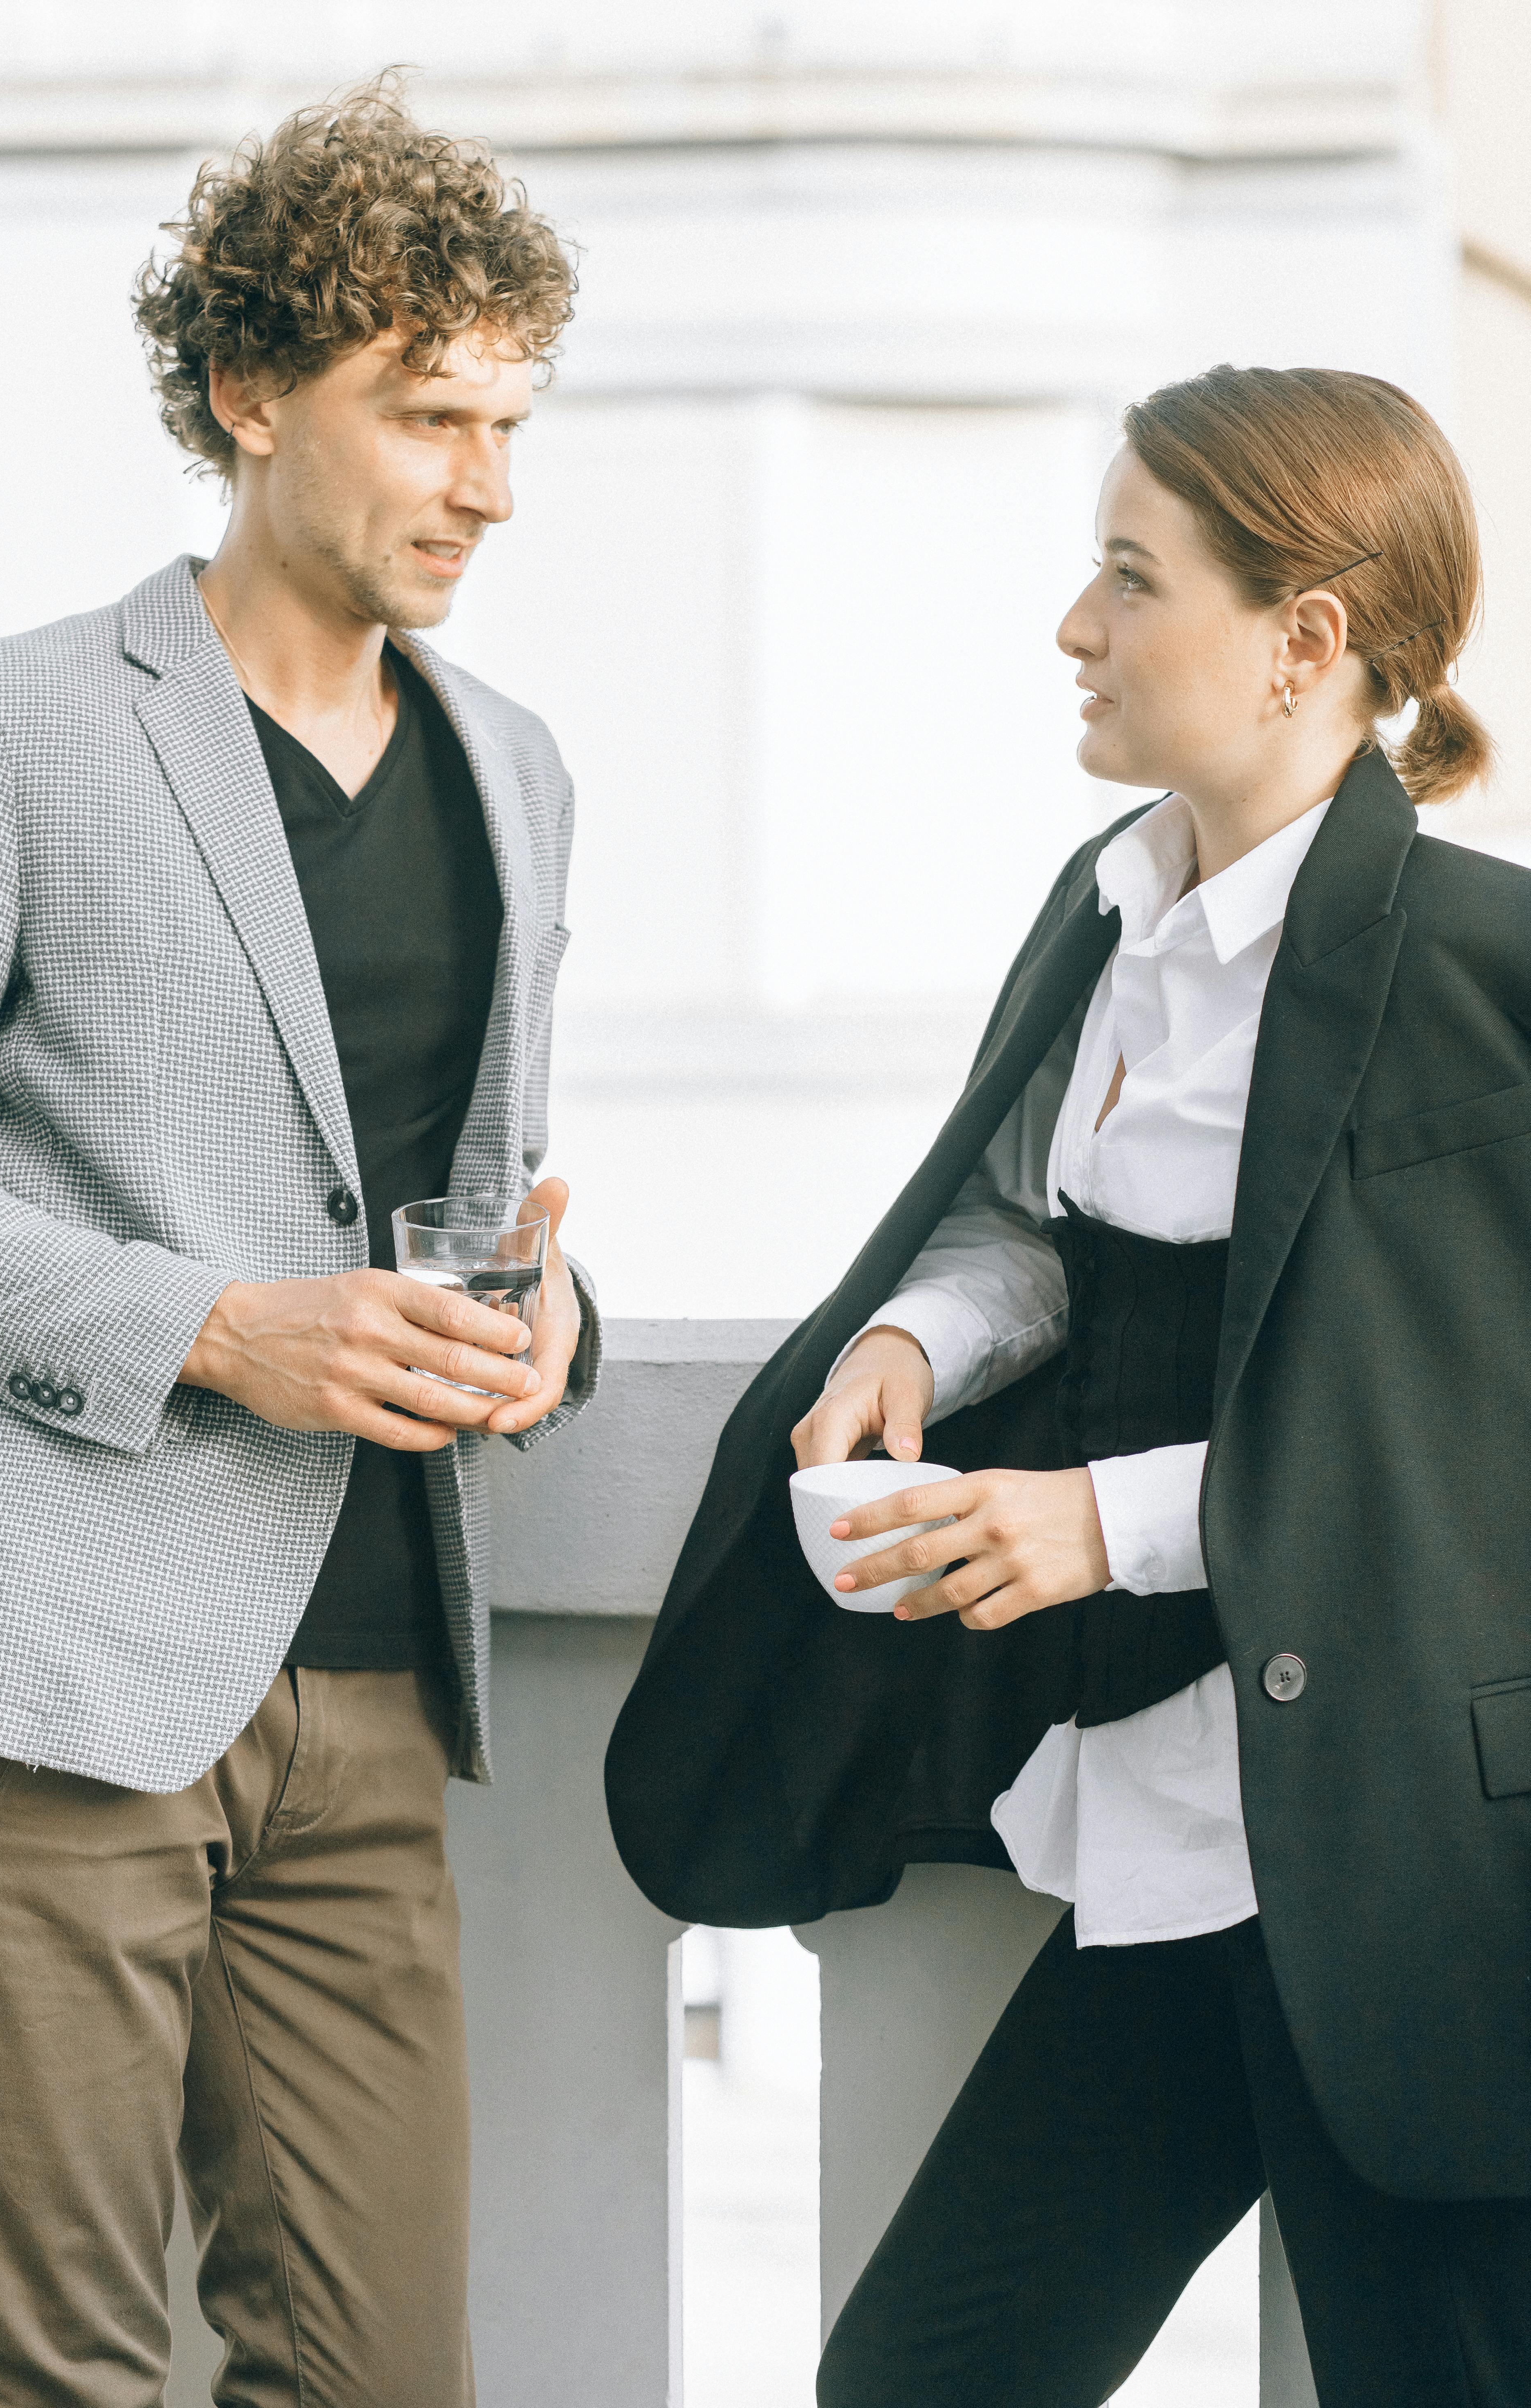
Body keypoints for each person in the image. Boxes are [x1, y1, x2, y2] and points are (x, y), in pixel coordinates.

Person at [605, 364, 1531, 2406]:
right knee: (921, 2385)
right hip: (1180, 1846)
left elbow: (1472, 1443)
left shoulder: (1486, 971)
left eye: (1130, 576)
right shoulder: (1116, 915)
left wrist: (1093, 1523)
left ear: (1306, 642)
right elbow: (1035, 1219)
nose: (1074, 626)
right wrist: (914, 1334)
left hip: (1410, 1882)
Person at [0, 80, 596, 2408]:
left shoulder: (517, 760)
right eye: (428, 417)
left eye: (510, 421)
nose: (486, 487)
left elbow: (484, 1181)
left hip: (384, 1671)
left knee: (378, 2370)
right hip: (60, 1683)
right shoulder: (7, 726)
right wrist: (217, 1330)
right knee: (40, 2371)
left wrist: (551, 1323)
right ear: (244, 393)